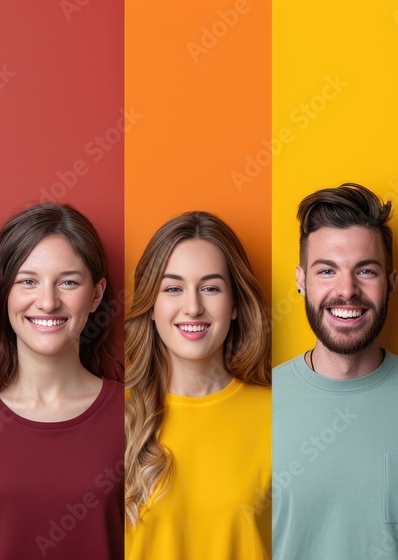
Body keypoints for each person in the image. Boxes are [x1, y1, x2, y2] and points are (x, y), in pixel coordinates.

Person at [271, 183, 398, 560]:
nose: (347, 290)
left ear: (392, 283)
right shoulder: (259, 402)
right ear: (302, 281)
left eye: (365, 271)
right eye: (327, 270)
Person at [0, 204, 124, 560]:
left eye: (68, 282)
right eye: (28, 281)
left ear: (96, 294)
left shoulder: (135, 412)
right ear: (2, 291)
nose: (47, 302)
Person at [124, 211, 271, 559]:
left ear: (234, 304)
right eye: (173, 288)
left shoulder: (281, 416)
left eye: (210, 288)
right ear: (151, 305)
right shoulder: (109, 415)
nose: (193, 307)